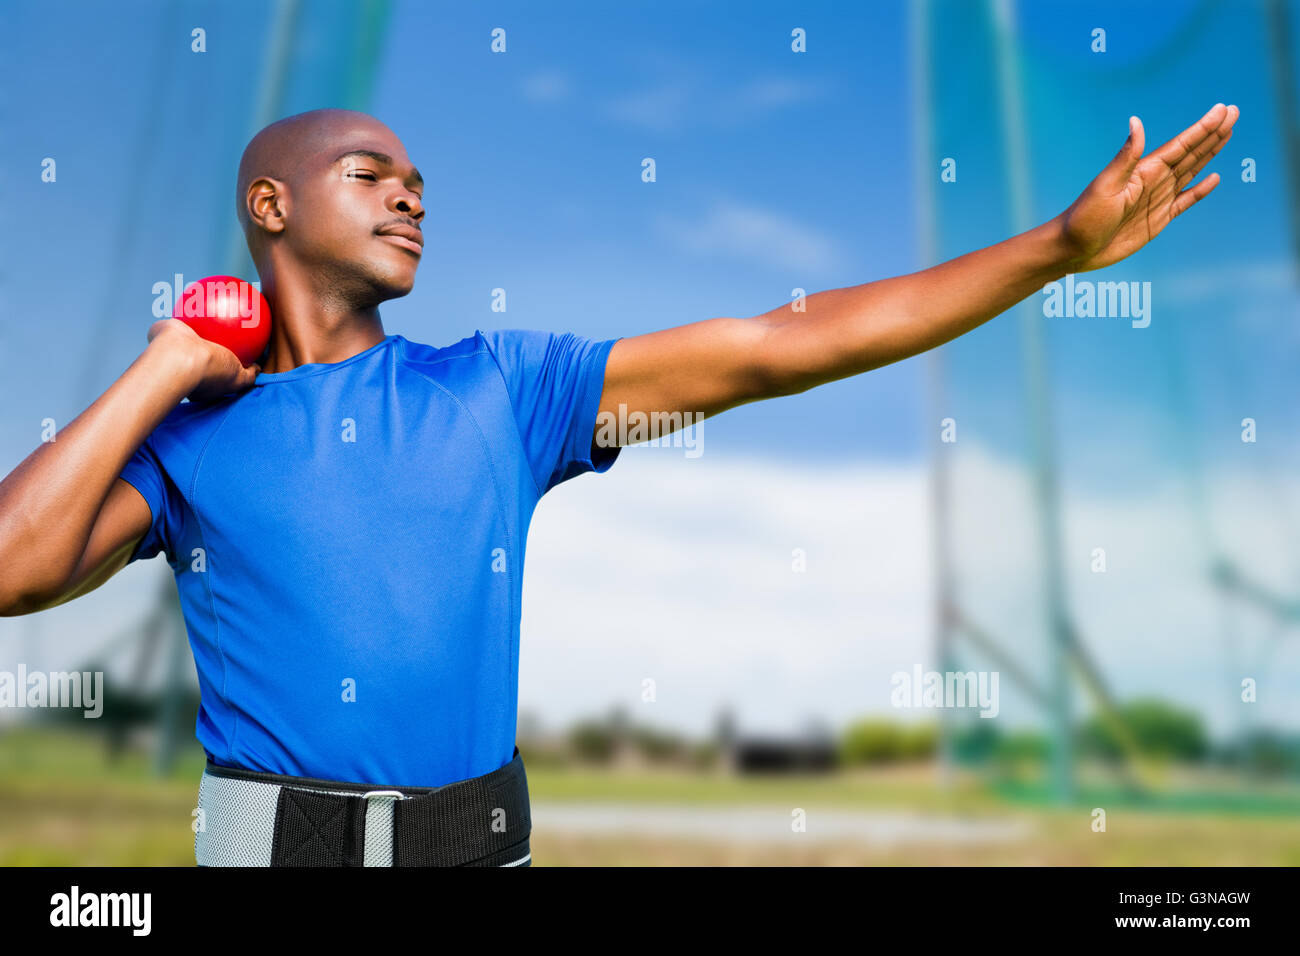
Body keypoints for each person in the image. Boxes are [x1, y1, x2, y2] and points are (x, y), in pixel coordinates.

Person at [0, 103, 1239, 866]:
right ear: (270, 205)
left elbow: (772, 345)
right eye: (371, 172)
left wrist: (1053, 253)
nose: (411, 192)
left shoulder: (503, 389)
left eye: (418, 178)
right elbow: (15, 570)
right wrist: (165, 361)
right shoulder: (191, 434)